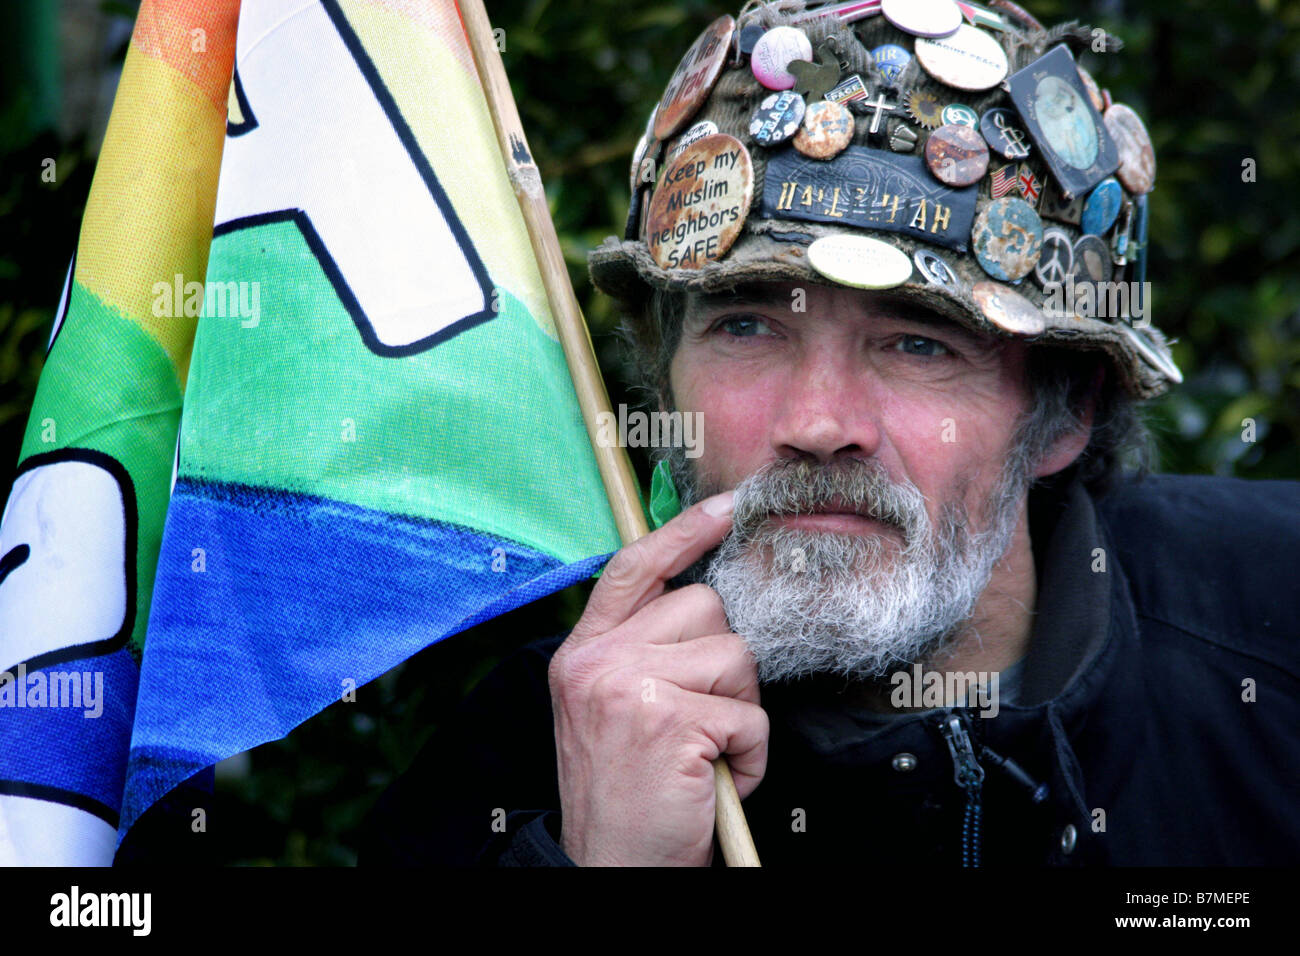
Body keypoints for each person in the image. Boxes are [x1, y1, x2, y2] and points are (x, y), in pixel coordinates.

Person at [361, 0, 1299, 866]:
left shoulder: (1274, 625)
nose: (817, 425)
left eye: (918, 346)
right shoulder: (522, 770)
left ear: (1067, 413)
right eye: (746, 325)